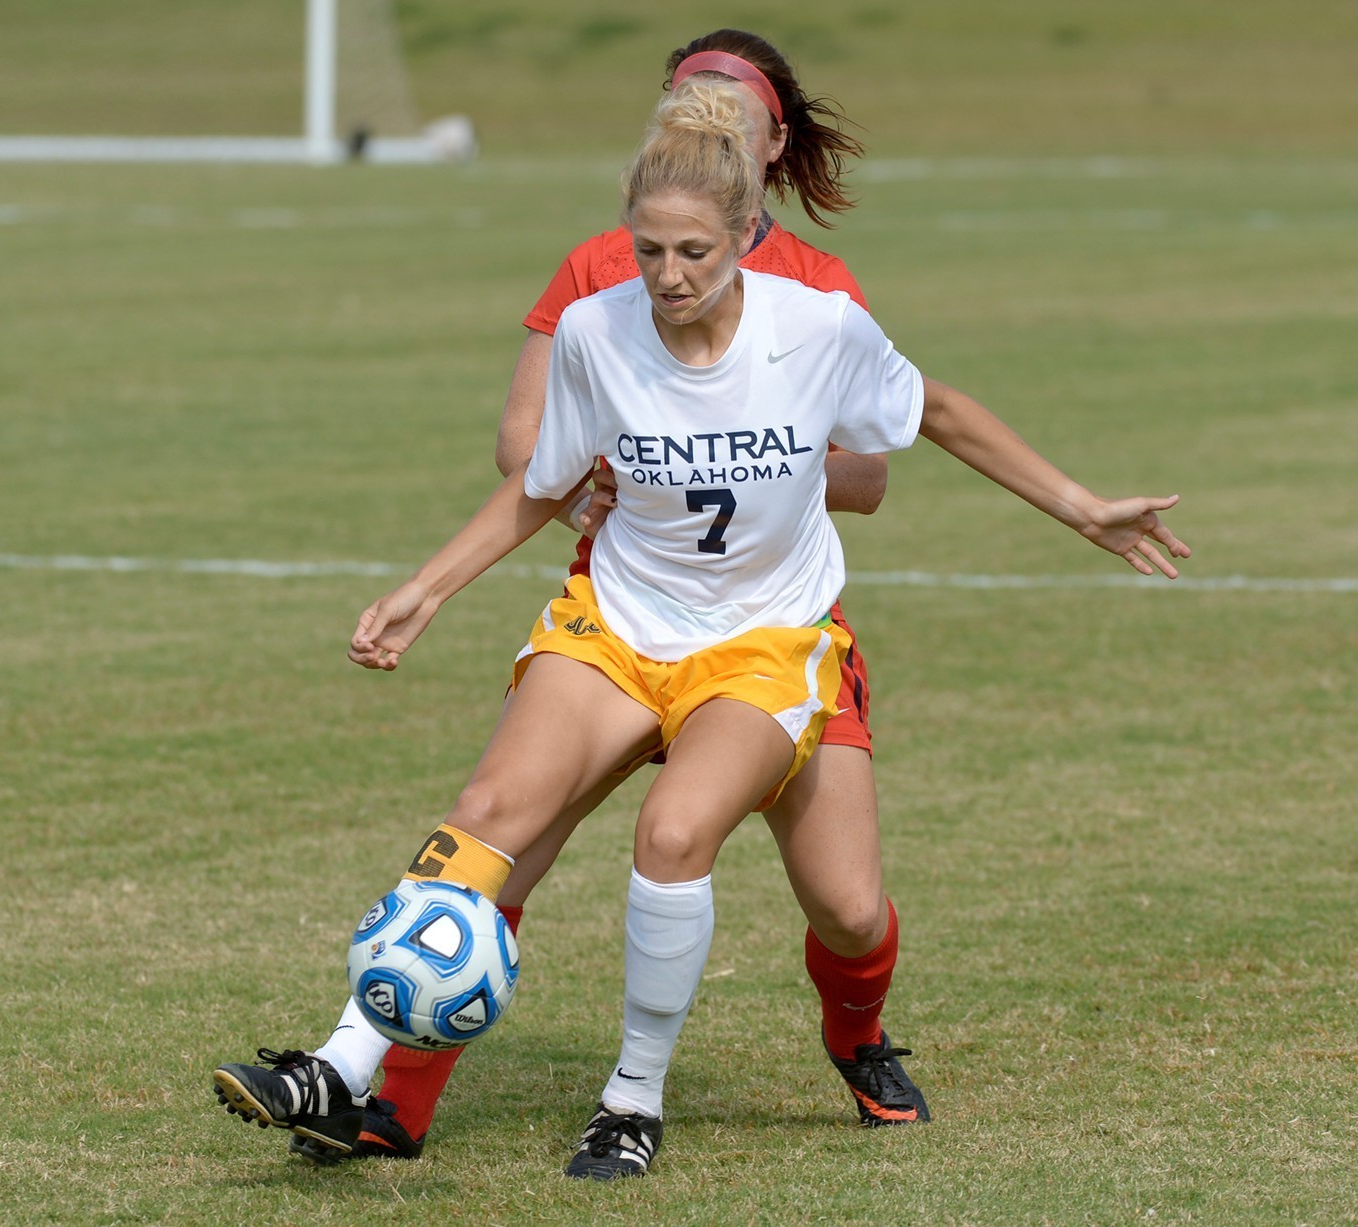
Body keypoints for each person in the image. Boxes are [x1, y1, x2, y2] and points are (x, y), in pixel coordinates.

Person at [211, 76, 1189, 1181]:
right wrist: (425, 590)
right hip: (617, 627)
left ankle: (644, 1090)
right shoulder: (596, 330)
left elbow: (942, 414)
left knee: (722, 855)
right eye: (648, 252)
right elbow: (542, 481)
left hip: (763, 643)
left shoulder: (814, 326)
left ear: (742, 237)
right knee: (488, 815)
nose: (668, 276)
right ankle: (343, 1064)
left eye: (693, 253)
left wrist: (1083, 508)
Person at [310, 29, 925, 1169]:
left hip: (771, 631)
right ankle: (382, 1094)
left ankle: (858, 1035)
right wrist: (579, 489)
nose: (705, 121)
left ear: (770, 146)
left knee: (847, 906)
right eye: (685, 101)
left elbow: (872, 473)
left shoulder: (817, 294)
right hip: (624, 615)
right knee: (508, 829)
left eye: (731, 109)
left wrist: (734, 455)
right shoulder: (608, 268)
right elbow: (527, 454)